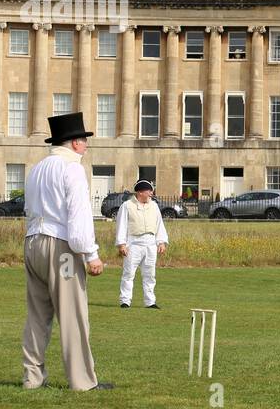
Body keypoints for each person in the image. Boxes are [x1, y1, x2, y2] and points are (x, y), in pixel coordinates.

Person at [21, 112, 110, 391]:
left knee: (37, 314)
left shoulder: (37, 169)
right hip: (60, 247)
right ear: (73, 143)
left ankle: (32, 378)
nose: (85, 146)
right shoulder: (72, 169)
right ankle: (82, 381)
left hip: (33, 241)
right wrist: (91, 254)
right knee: (73, 314)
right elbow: (79, 217)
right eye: (83, 141)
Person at [116, 179, 170, 309]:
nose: (151, 193)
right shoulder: (127, 205)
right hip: (133, 243)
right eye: (148, 191)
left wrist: (161, 242)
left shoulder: (154, 206)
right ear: (140, 192)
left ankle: (150, 301)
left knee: (150, 274)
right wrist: (122, 244)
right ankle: (125, 300)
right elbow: (121, 225)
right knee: (129, 273)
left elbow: (159, 225)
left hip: (150, 243)